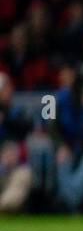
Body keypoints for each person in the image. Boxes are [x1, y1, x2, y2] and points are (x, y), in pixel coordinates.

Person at [0, 72, 34, 212]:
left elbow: (26, 127)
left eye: (7, 88)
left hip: (14, 168)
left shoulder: (18, 113)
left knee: (25, 175)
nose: (7, 92)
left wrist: (5, 119)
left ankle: (3, 206)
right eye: (3, 89)